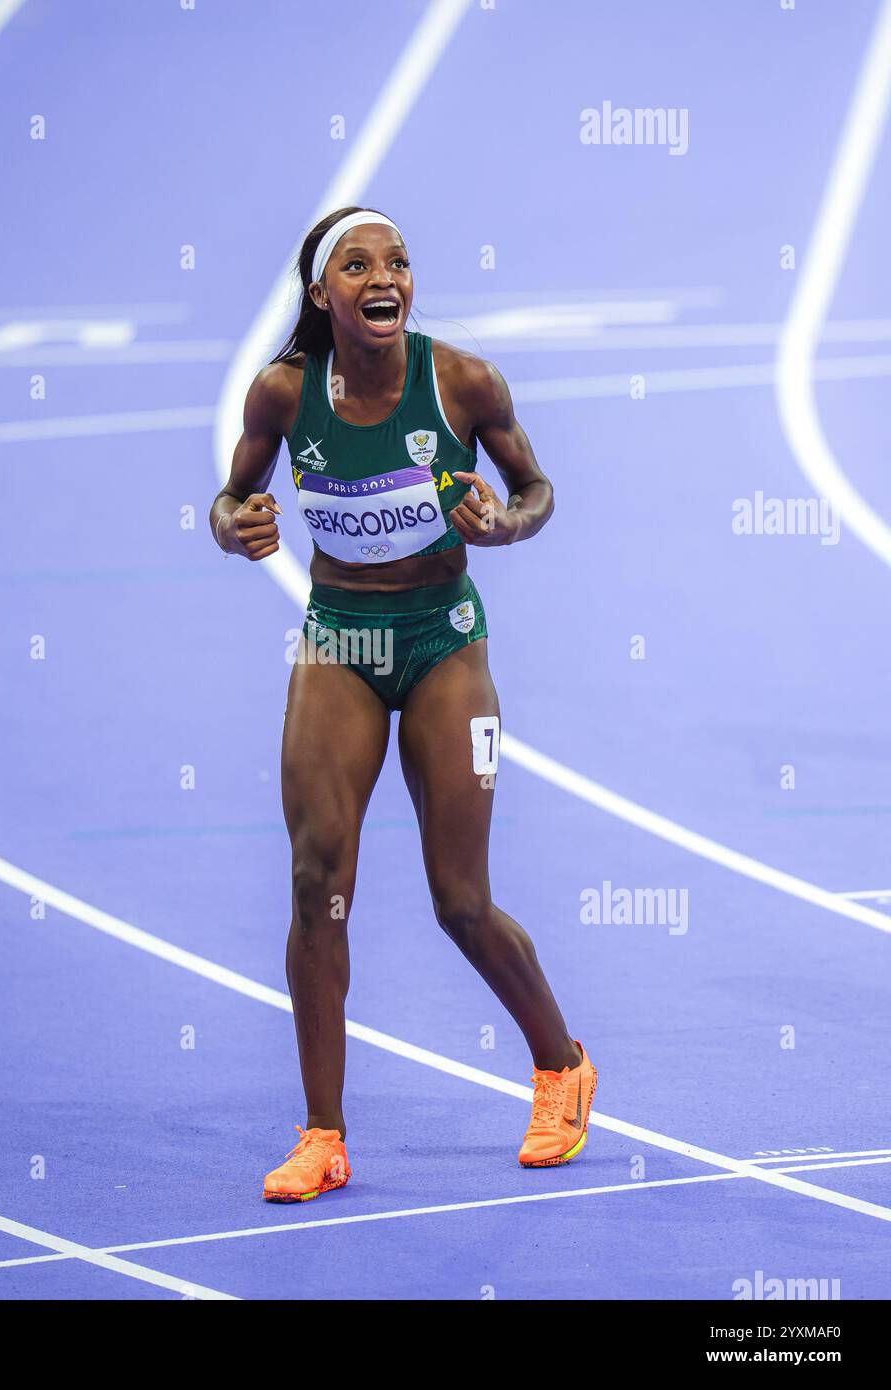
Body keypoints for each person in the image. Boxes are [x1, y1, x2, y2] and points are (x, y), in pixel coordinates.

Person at [209, 207, 596, 1203]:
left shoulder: (462, 381)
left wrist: (504, 527)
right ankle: (323, 1136)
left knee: (458, 900)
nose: (386, 278)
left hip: (440, 644)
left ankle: (561, 1064)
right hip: (340, 637)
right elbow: (229, 499)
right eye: (360, 265)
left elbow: (539, 487)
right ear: (322, 293)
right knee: (315, 878)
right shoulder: (283, 396)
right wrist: (237, 525)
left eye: (399, 263)